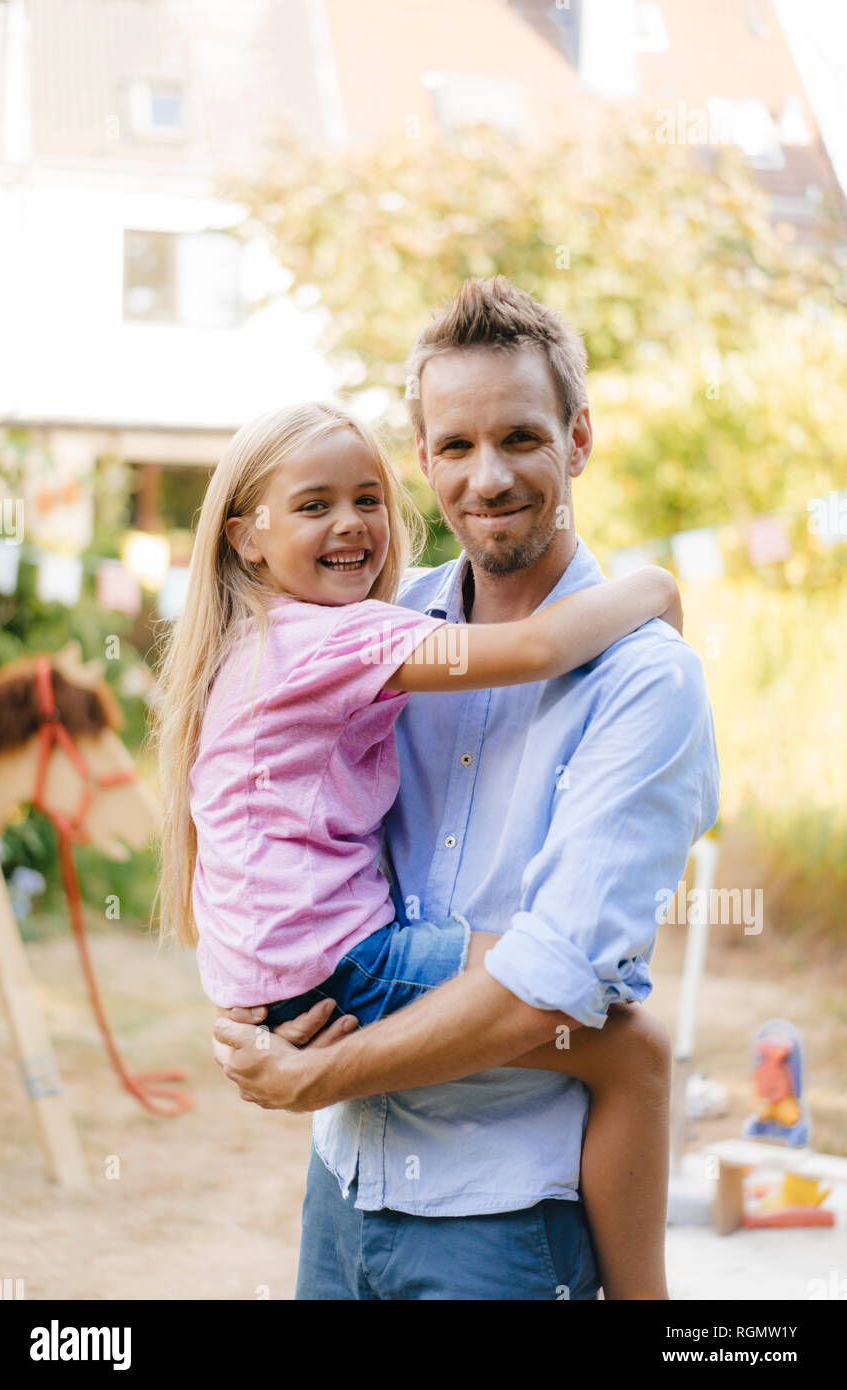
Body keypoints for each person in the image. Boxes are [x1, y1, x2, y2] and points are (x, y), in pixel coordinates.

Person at [211, 277, 720, 1302]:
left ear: (578, 438)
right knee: (637, 1051)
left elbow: (551, 981)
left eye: (521, 438)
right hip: (342, 1192)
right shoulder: (381, 626)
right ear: (422, 453)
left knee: (632, 1043)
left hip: (502, 1228)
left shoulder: (645, 680)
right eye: (454, 446)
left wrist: (310, 1072)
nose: (486, 478)